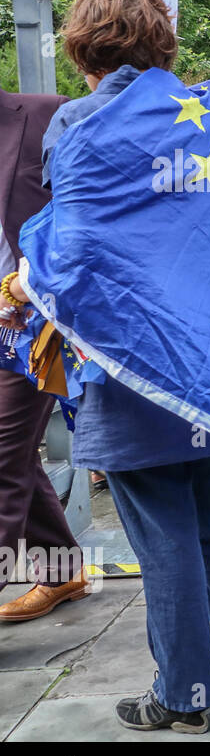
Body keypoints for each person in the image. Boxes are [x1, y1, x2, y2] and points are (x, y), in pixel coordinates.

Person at [24, 0, 210, 733]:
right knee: (208, 510)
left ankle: (186, 696)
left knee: (162, 534)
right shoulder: (206, 122)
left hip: (131, 366)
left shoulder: (78, 123)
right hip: (207, 357)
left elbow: (73, 250)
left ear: (83, 48)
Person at [0, 86, 89, 623]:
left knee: (2, 455)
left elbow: (83, 204)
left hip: (30, 325)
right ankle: (62, 572)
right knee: (14, 455)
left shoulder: (42, 114)